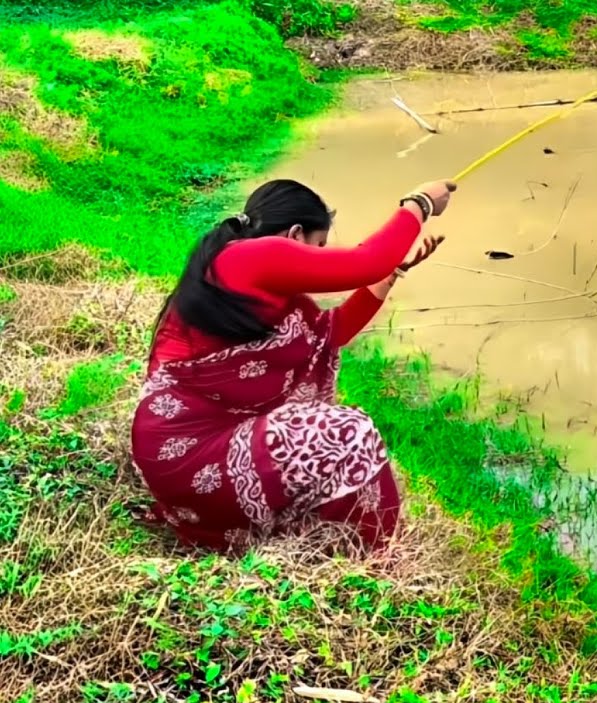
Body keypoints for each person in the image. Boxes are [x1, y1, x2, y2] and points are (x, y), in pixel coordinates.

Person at [130, 178, 455, 552]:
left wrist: (391, 273)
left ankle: (334, 539)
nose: (316, 262)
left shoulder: (249, 277)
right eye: (318, 248)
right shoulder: (250, 258)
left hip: (180, 454)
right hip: (189, 453)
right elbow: (366, 261)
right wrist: (420, 203)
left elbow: (331, 333)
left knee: (332, 435)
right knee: (348, 433)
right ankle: (374, 559)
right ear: (295, 235)